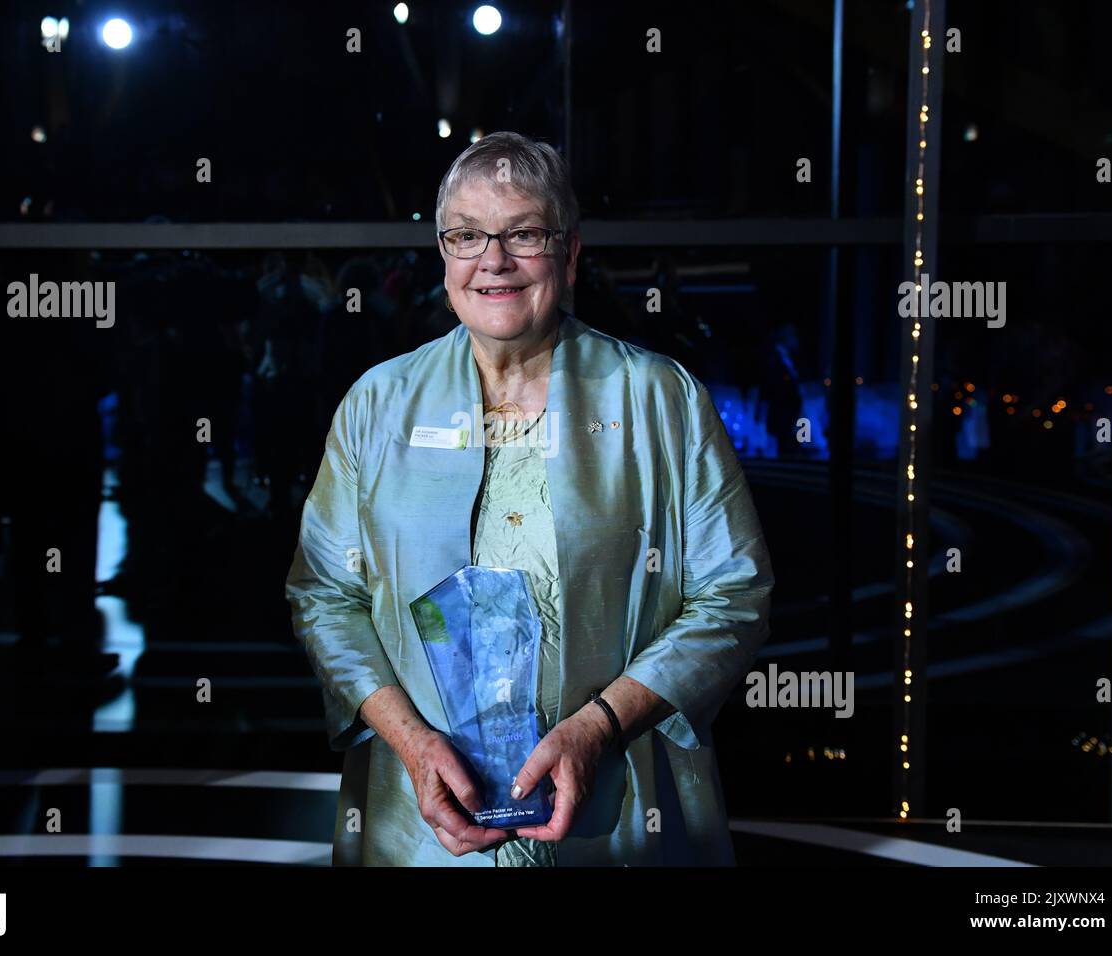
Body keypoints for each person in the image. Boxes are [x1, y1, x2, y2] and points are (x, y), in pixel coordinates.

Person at [285, 131, 774, 866]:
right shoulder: (376, 405)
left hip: (616, 818)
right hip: (423, 827)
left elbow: (733, 596)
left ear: (570, 254)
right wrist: (414, 747)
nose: (494, 260)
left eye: (524, 233)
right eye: (468, 235)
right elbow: (324, 596)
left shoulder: (657, 399)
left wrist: (599, 727)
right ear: (444, 255)